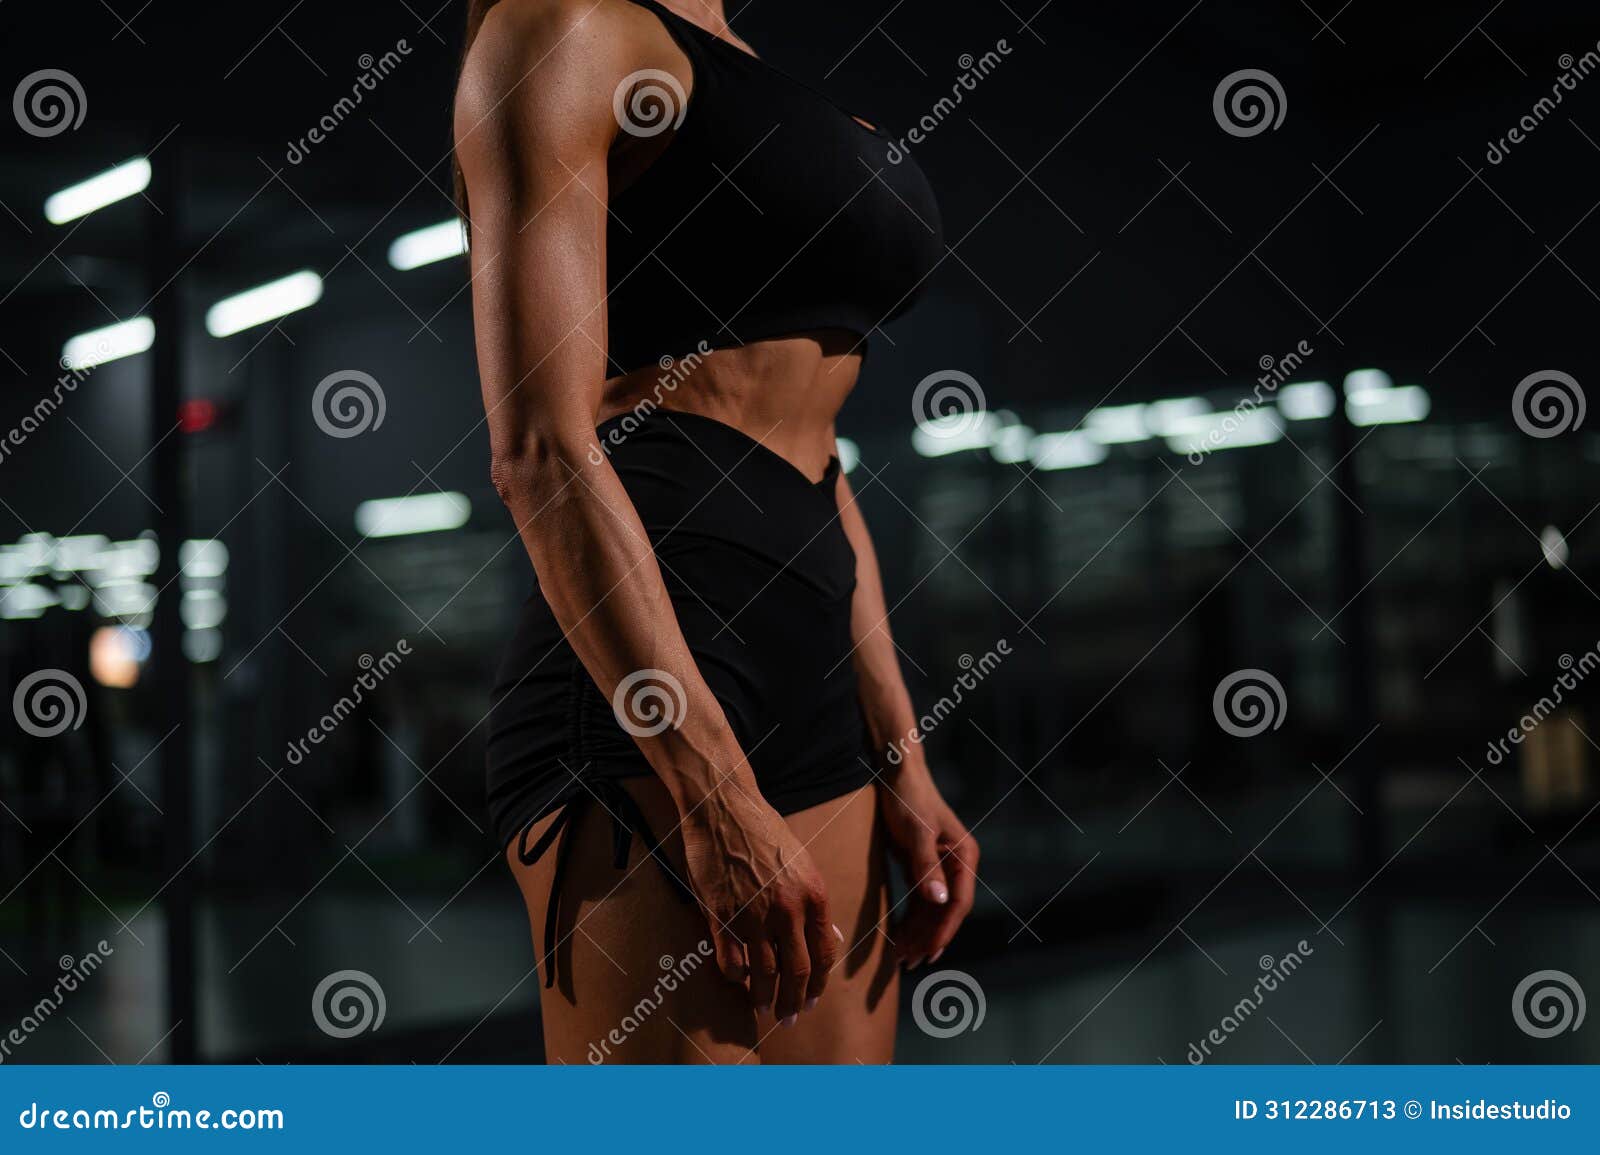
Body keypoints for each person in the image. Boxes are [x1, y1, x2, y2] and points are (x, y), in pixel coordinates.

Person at [454, 0, 978, 1063]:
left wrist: (902, 758)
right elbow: (540, 453)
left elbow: (814, 460)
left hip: (809, 633)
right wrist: (714, 787)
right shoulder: (562, 28)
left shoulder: (738, 63)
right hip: (656, 662)